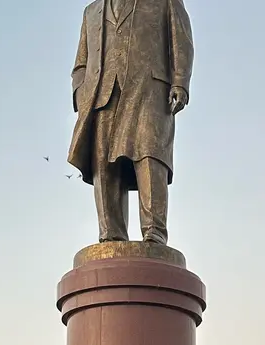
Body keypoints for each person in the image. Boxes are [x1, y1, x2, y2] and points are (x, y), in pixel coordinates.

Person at [68, 0, 194, 245]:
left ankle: (154, 231)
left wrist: (180, 82)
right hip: (101, 95)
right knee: (103, 162)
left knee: (149, 155)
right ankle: (111, 234)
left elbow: (181, 41)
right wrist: (80, 93)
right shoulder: (91, 11)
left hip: (148, 90)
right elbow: (80, 65)